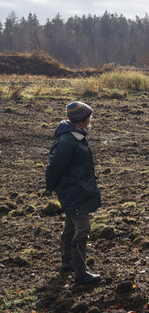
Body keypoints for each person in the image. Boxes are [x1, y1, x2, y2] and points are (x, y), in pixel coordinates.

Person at [45, 101, 102, 285]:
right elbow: (54, 167)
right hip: (73, 191)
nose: (91, 119)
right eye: (89, 116)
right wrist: (51, 186)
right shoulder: (67, 141)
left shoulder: (76, 136)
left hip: (77, 189)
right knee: (83, 228)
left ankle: (67, 262)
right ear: (82, 119)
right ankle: (81, 272)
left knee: (71, 225)